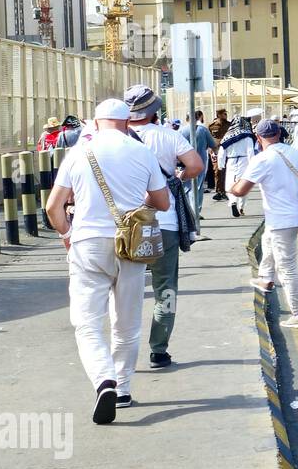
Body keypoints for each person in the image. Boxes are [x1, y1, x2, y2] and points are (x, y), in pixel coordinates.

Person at [45, 99, 170, 423]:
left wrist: (66, 235)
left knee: (87, 324)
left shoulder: (78, 153)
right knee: (126, 322)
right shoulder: (142, 152)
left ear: (97, 122)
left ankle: (104, 380)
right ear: (126, 122)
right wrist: (135, 202)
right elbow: (162, 202)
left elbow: (53, 207)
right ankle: (124, 387)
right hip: (130, 244)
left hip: (87, 243)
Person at [126, 86, 204, 370]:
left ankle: (122, 353)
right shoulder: (168, 135)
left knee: (124, 289)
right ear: (155, 111)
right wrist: (177, 177)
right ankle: (158, 350)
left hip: (125, 224)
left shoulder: (116, 140)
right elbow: (195, 165)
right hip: (165, 222)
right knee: (165, 288)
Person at [228, 118, 298, 330]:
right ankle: (265, 278)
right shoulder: (295, 153)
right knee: (267, 238)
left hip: (283, 219)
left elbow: (241, 190)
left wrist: (231, 187)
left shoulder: (262, 159)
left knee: (287, 267)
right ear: (279, 134)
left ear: (258, 138)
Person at [219, 110, 260, 216]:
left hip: (231, 161)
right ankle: (241, 207)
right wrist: (253, 164)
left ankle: (232, 202)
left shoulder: (227, 137)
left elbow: (222, 150)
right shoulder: (247, 136)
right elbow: (250, 151)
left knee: (230, 183)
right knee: (243, 183)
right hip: (244, 161)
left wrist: (221, 164)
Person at [187, 110, 217, 217]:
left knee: (187, 187)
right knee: (198, 187)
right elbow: (213, 145)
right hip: (200, 162)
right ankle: (196, 212)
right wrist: (216, 155)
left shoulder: (182, 131)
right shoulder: (203, 130)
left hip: (185, 163)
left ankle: (188, 211)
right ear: (199, 117)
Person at [208, 108, 232, 199]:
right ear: (219, 115)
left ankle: (225, 190)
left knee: (225, 170)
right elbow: (208, 137)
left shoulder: (229, 125)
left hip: (227, 150)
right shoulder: (211, 126)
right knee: (217, 171)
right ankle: (219, 191)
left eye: (226, 114)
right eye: (224, 114)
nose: (226, 116)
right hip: (215, 151)